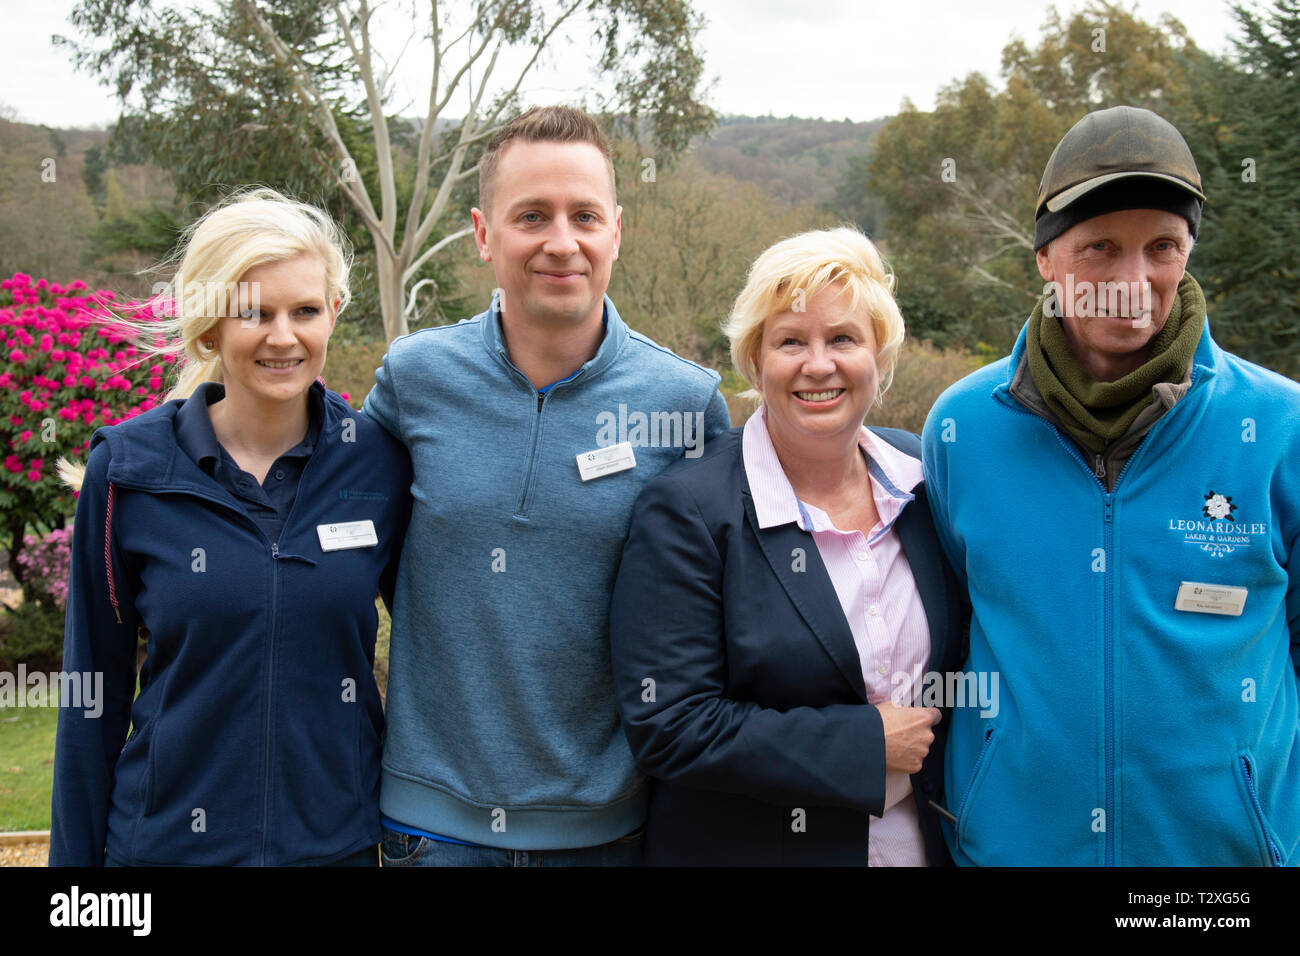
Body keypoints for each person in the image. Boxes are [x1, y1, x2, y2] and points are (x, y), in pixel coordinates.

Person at [923, 105, 1300, 866]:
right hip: (1016, 850)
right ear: (1045, 259)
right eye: (1101, 247)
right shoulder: (963, 428)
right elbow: (948, 635)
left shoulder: (1279, 426)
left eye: (1162, 246)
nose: (1132, 281)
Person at [363, 105, 730, 866]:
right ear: (483, 232)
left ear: (617, 232)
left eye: (584, 216)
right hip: (433, 831)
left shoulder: (684, 403)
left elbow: (722, 614)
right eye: (532, 215)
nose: (561, 242)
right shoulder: (414, 380)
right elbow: (347, 546)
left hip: (606, 833)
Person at [49, 188, 412, 866]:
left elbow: (432, 652)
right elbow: (88, 697)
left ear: (332, 314)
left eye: (305, 310)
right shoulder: (127, 471)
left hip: (334, 852)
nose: (284, 336)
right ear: (210, 325)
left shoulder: (378, 465)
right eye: (255, 313)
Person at [609, 227, 967, 866]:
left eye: (844, 339)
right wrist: (861, 745)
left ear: (878, 356)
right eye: (791, 341)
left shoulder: (922, 479)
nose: (819, 364)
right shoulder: (690, 510)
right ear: (755, 361)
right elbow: (669, 726)